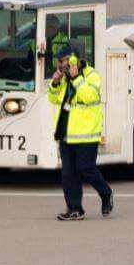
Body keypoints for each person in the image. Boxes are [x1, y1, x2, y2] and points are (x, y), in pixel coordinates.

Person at [48, 43, 112, 221]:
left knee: (86, 168)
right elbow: (53, 99)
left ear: (74, 59)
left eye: (64, 61)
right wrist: (55, 83)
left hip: (86, 133)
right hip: (66, 133)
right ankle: (75, 208)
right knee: (68, 173)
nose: (61, 65)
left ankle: (106, 194)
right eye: (59, 62)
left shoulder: (92, 75)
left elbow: (90, 96)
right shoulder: (64, 78)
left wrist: (76, 78)